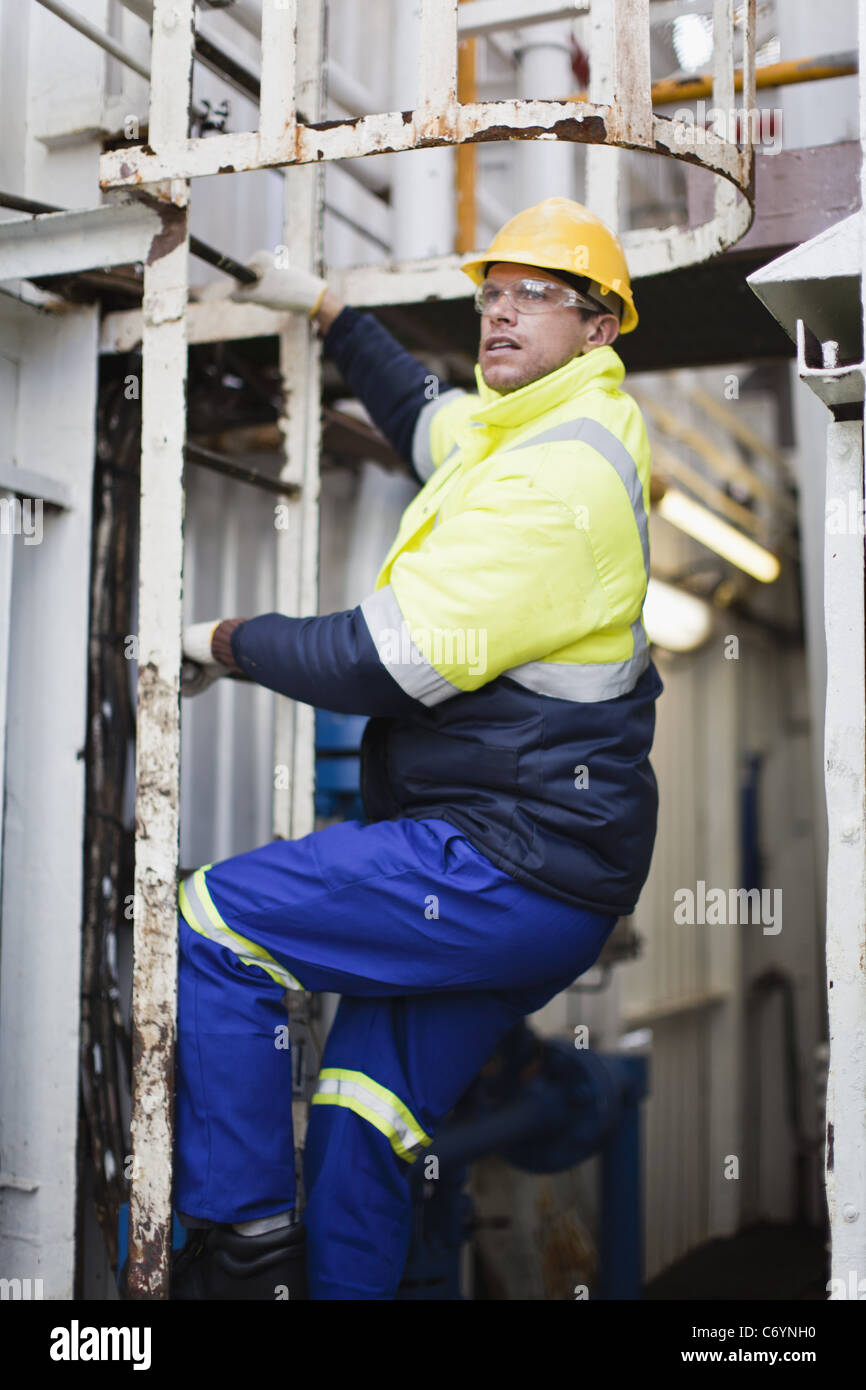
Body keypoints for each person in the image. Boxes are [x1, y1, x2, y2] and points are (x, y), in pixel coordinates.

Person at [171, 197, 663, 1300]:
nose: (500, 312)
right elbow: (420, 414)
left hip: (502, 860)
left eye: (534, 294)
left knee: (217, 917)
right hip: (554, 884)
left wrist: (217, 640)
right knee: (362, 1115)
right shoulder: (523, 426)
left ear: (599, 327)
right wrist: (332, 311)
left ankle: (243, 1247)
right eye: (490, 293)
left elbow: (378, 662)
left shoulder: (558, 479)